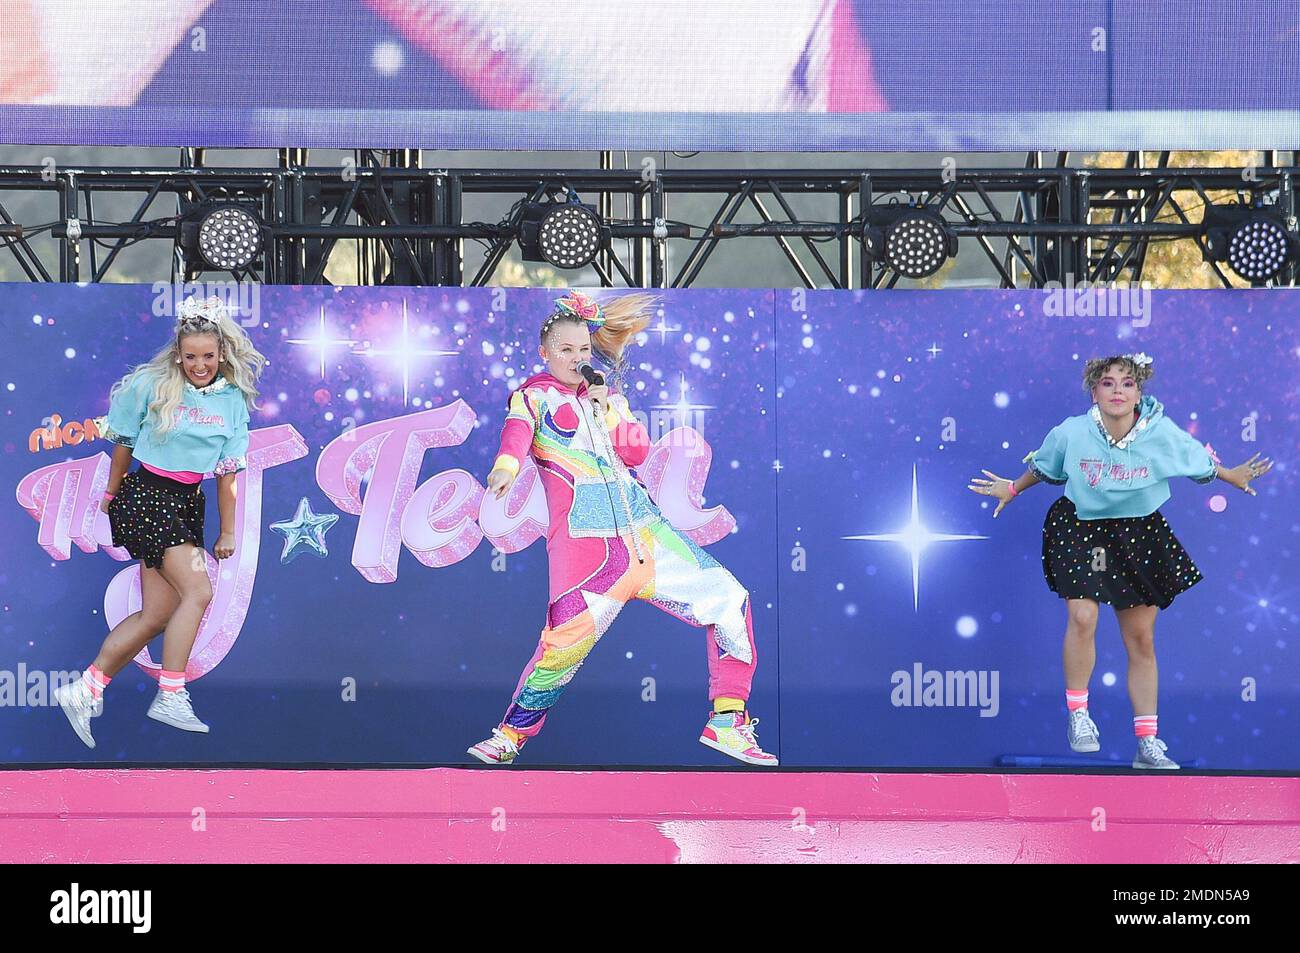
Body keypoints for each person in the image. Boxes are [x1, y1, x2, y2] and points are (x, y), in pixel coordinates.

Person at [468, 291, 777, 766]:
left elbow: (637, 452)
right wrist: (506, 467)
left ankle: (728, 721)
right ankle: (510, 735)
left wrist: (607, 408)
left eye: (583, 349)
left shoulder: (609, 399)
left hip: (648, 536)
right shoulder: (533, 397)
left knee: (729, 599)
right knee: (561, 649)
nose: (576, 358)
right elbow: (516, 434)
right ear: (545, 352)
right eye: (566, 350)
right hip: (588, 554)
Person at [968, 352, 1272, 769]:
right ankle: (1079, 715)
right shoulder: (1072, 432)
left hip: (1138, 533)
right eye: (1107, 383)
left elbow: (1194, 459)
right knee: (1083, 617)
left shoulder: (1159, 431)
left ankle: (1147, 743)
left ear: (1138, 393)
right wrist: (1014, 488)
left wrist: (1230, 474)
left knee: (1141, 639)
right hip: (1080, 527)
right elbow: (1045, 467)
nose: (1117, 391)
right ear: (1094, 392)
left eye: (1127, 383)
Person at [53, 295, 263, 749]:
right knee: (199, 591)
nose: (199, 365)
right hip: (148, 497)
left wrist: (228, 530)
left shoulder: (232, 401)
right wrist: (111, 493)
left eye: (208, 356)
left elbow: (228, 477)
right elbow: (124, 444)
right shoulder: (152, 386)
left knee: (157, 615)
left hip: (186, 504)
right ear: (178, 354)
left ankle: (86, 688)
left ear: (222, 353)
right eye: (191, 357)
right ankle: (171, 694)